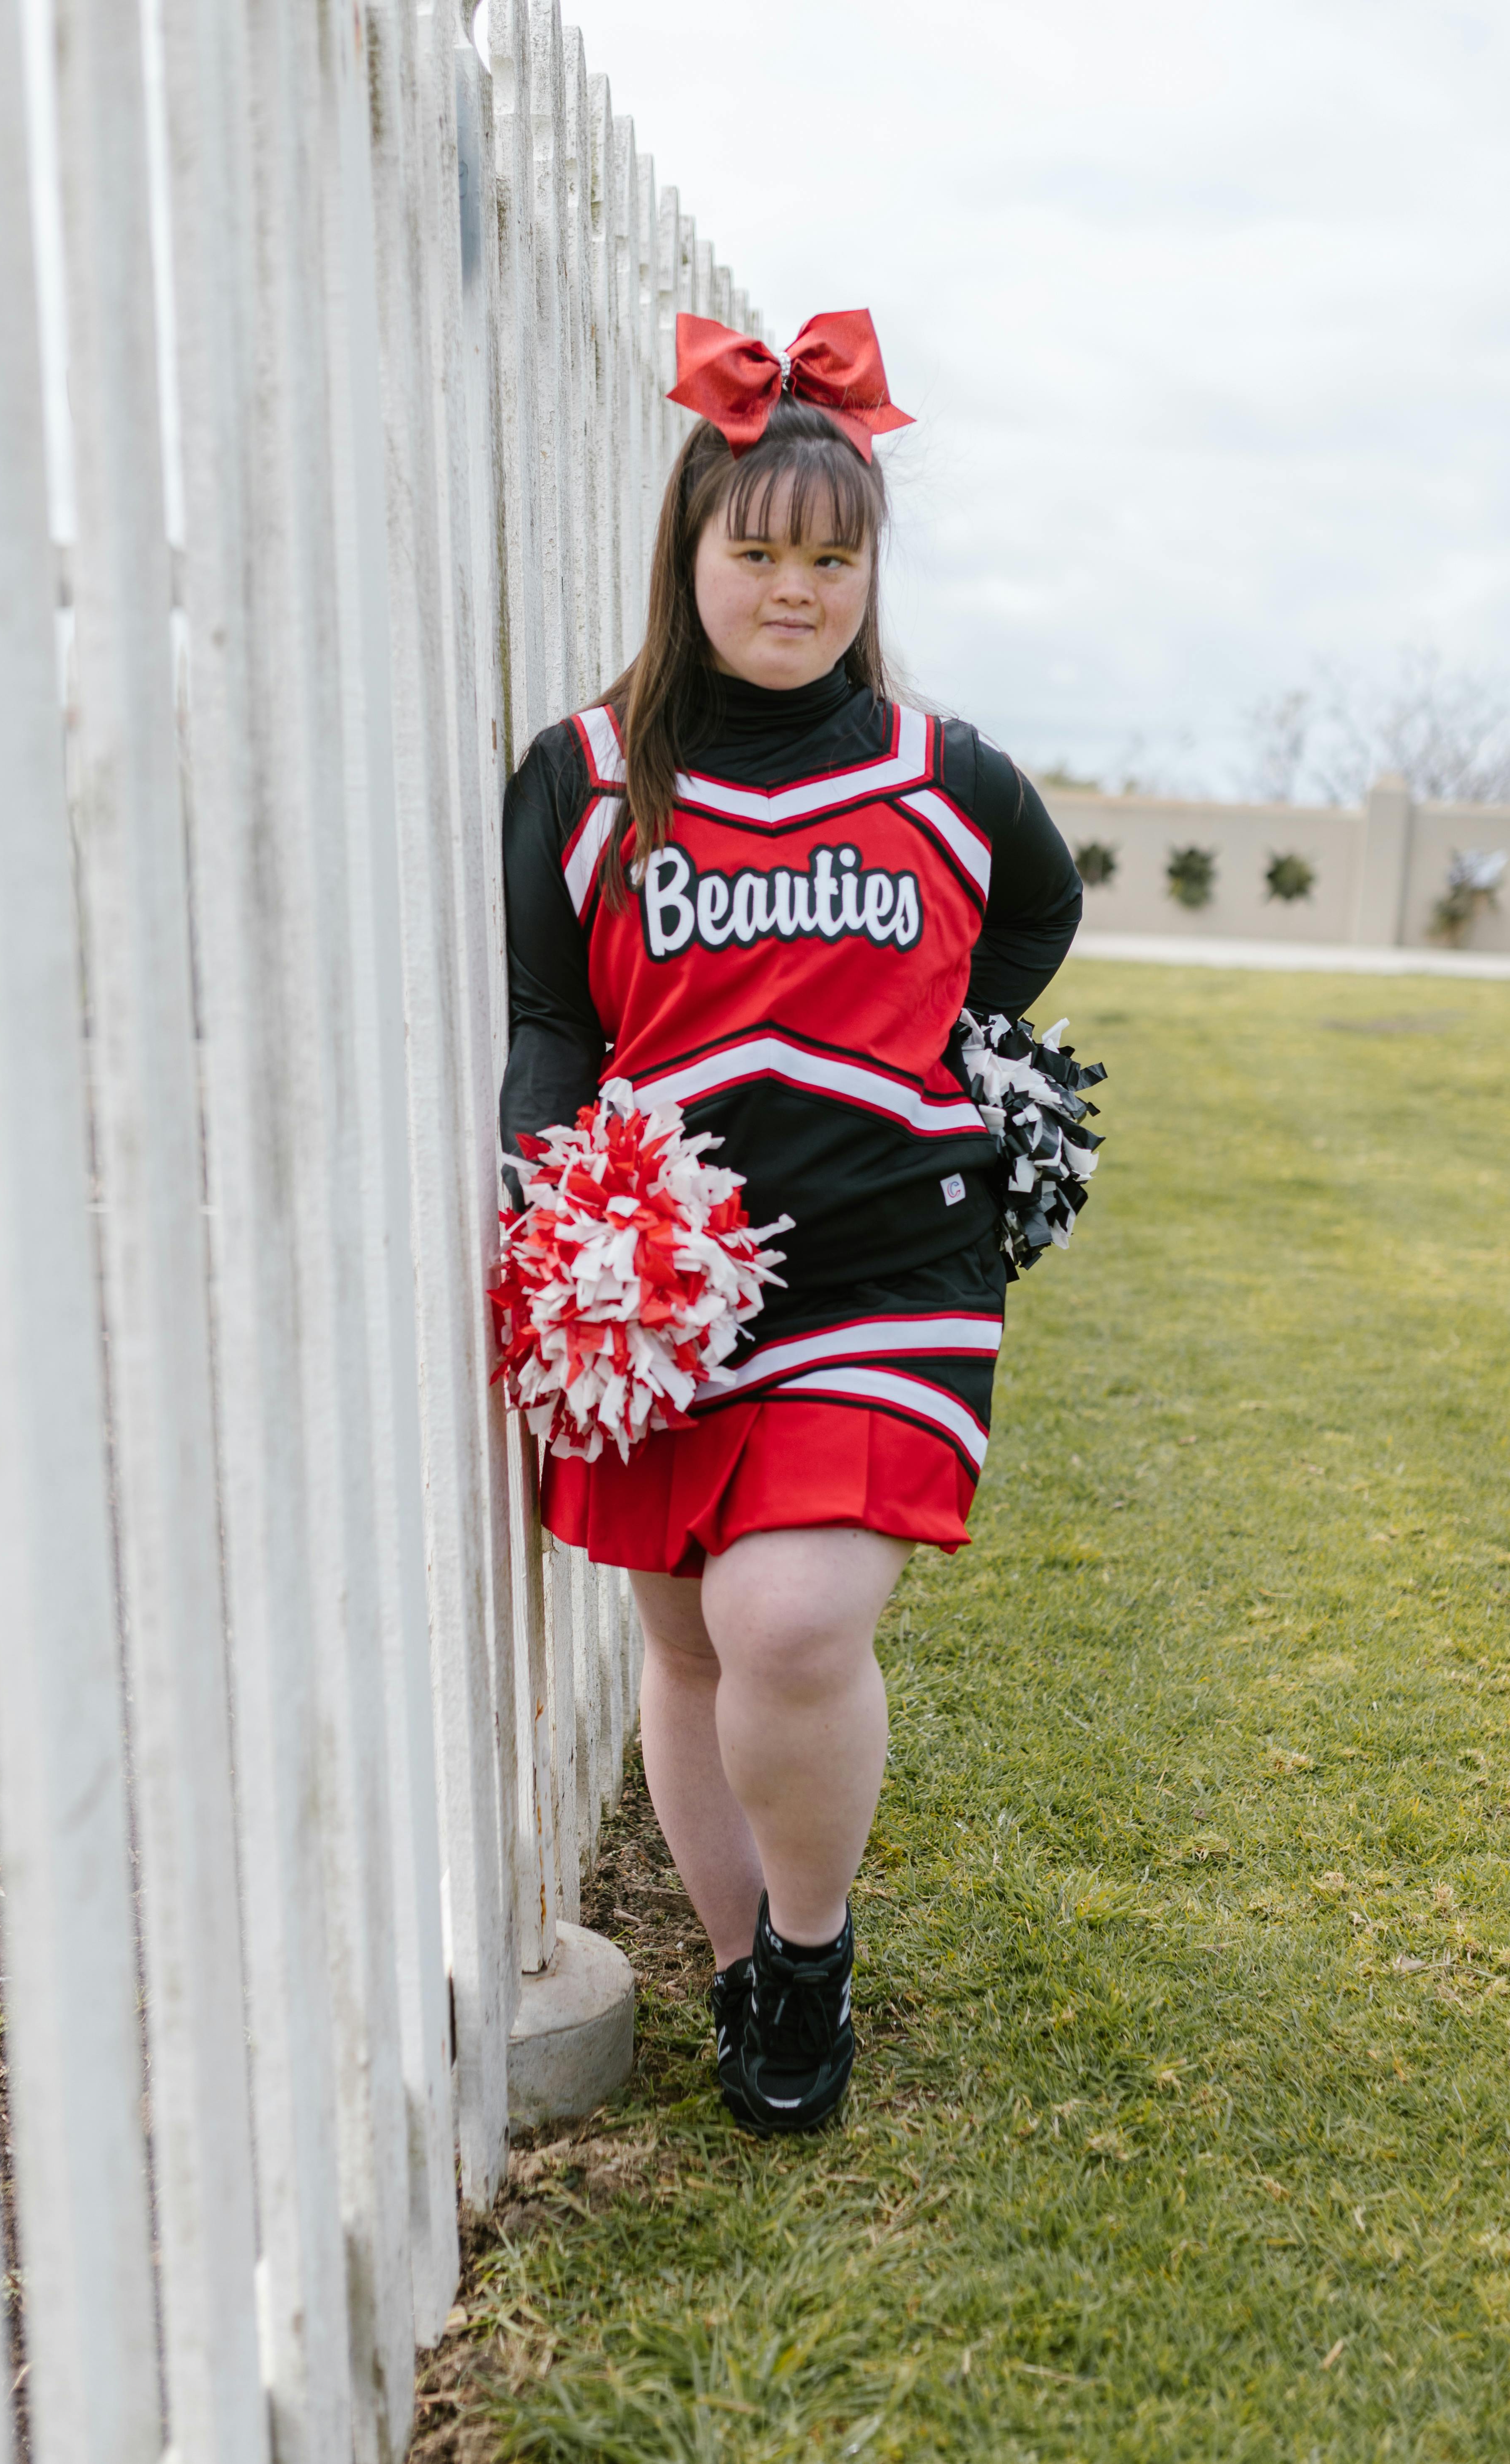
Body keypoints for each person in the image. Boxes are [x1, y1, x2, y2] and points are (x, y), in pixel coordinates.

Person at [499, 310, 1082, 2134]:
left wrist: (936, 1061)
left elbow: (1035, 919)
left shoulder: (946, 776)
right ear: (689, 555)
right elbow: (552, 1027)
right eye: (758, 553)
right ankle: (744, 1966)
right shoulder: (586, 777)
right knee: (689, 1642)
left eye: (833, 560)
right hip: (662, 1289)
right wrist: (560, 1210)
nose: (796, 591)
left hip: (888, 1274)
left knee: (795, 1619)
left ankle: (811, 1953)